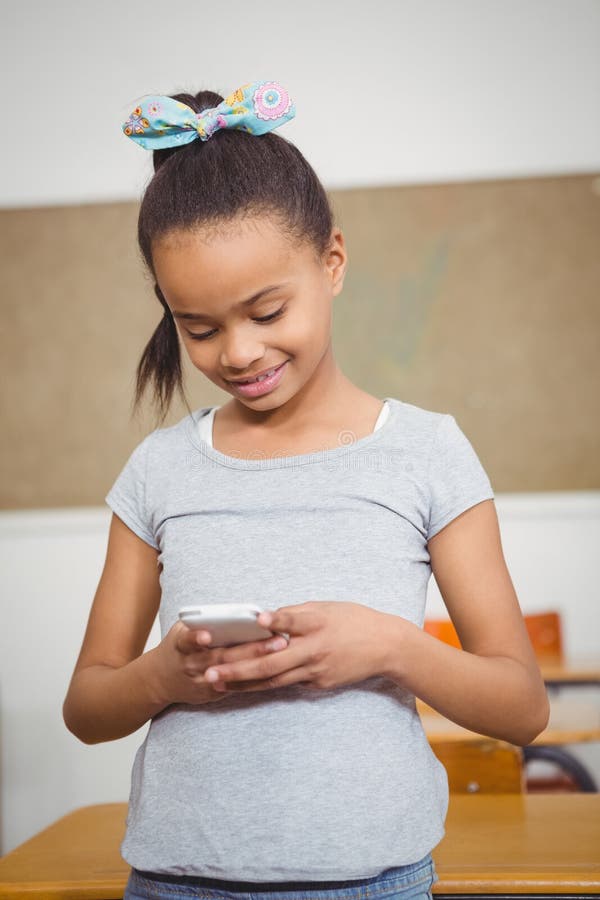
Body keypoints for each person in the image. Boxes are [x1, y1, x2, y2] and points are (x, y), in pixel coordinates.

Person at [63, 80, 550, 900]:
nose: (240, 353)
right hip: (177, 882)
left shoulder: (428, 452)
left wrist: (390, 645)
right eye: (200, 328)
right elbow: (88, 705)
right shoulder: (159, 469)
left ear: (332, 262)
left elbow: (523, 708)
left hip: (373, 883)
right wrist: (167, 678)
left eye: (266, 310)